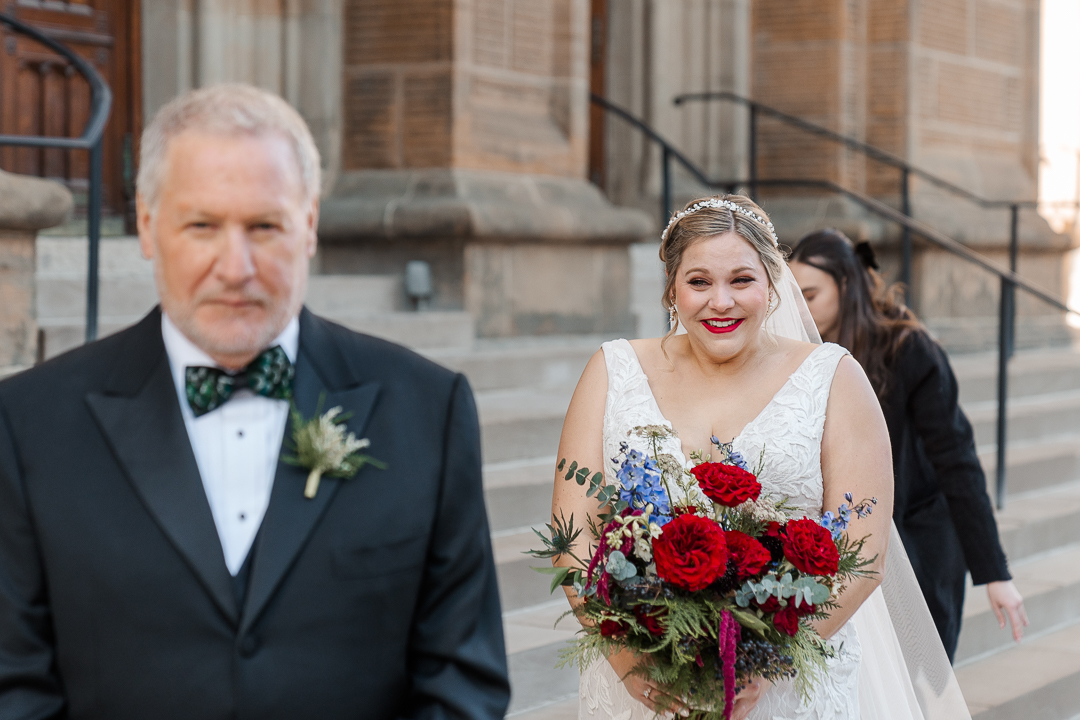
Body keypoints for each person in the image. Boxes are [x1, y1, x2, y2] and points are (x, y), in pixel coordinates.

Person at [0, 84, 509, 720]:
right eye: (202, 225)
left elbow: (462, 680)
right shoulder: (28, 424)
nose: (235, 266)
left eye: (264, 226)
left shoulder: (428, 409)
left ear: (310, 227)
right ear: (149, 228)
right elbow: (14, 686)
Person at [554, 195, 969, 720]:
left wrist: (764, 661)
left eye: (742, 280)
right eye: (699, 281)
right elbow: (573, 538)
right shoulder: (611, 370)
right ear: (671, 289)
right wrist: (627, 658)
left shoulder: (833, 379)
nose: (720, 301)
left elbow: (864, 554)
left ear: (773, 285)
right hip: (646, 679)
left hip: (787, 681)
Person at [788, 228, 1027, 662]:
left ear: (846, 284)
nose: (800, 308)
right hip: (837, 547)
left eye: (811, 294)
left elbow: (957, 460)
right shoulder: (797, 351)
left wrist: (994, 572)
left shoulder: (908, 348)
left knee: (915, 677)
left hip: (917, 542)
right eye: (794, 295)